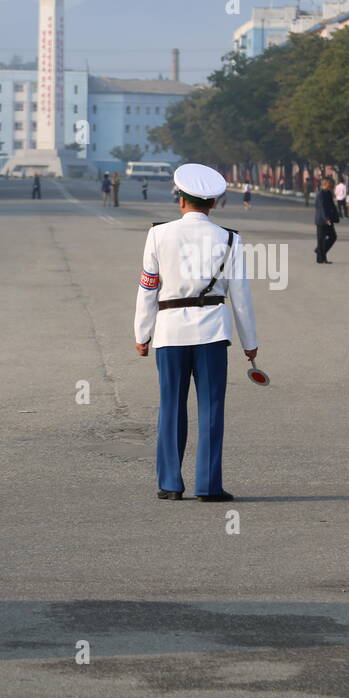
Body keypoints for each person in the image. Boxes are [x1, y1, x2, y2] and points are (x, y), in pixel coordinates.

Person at [134, 163, 257, 502]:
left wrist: (142, 334)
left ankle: (171, 484)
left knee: (171, 406)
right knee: (212, 408)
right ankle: (208, 486)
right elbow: (241, 297)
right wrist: (250, 344)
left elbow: (148, 288)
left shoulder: (158, 234)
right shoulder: (230, 239)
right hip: (213, 334)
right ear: (213, 203)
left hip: (170, 333)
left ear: (181, 200)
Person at [315, 177, 339, 264]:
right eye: (330, 183)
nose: (332, 185)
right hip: (322, 220)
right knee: (321, 239)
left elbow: (332, 206)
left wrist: (335, 216)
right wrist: (326, 219)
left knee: (333, 237)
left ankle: (319, 251)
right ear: (325, 184)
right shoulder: (320, 194)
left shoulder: (328, 193)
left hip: (329, 219)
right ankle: (321, 259)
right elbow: (321, 208)